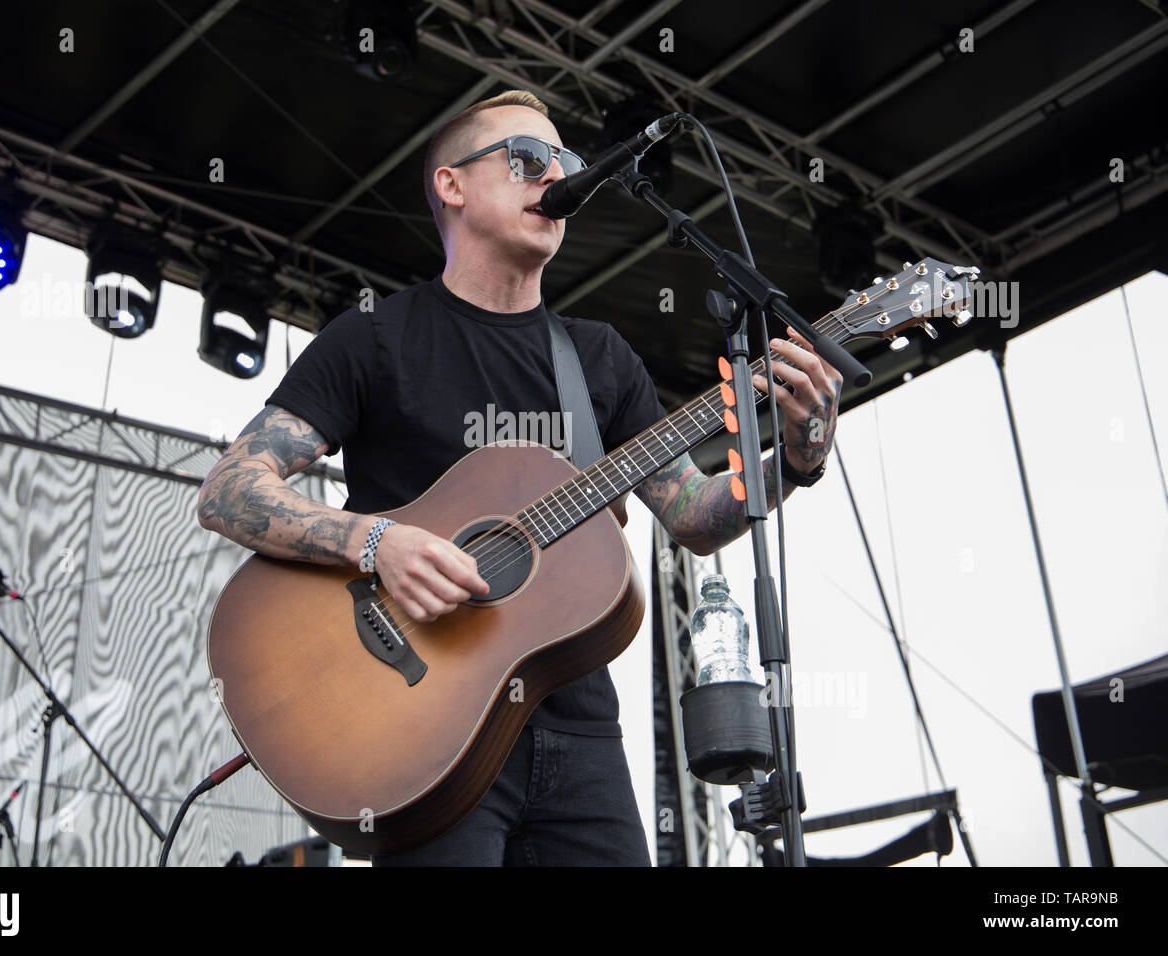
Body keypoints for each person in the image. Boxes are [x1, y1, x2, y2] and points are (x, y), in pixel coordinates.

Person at [196, 90, 843, 866]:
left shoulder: (599, 359)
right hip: (422, 729)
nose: (556, 178)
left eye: (566, 165)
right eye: (528, 159)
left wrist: (795, 462)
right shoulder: (372, 341)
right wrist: (377, 542)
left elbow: (696, 517)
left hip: (581, 737)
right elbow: (230, 489)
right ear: (452, 185)